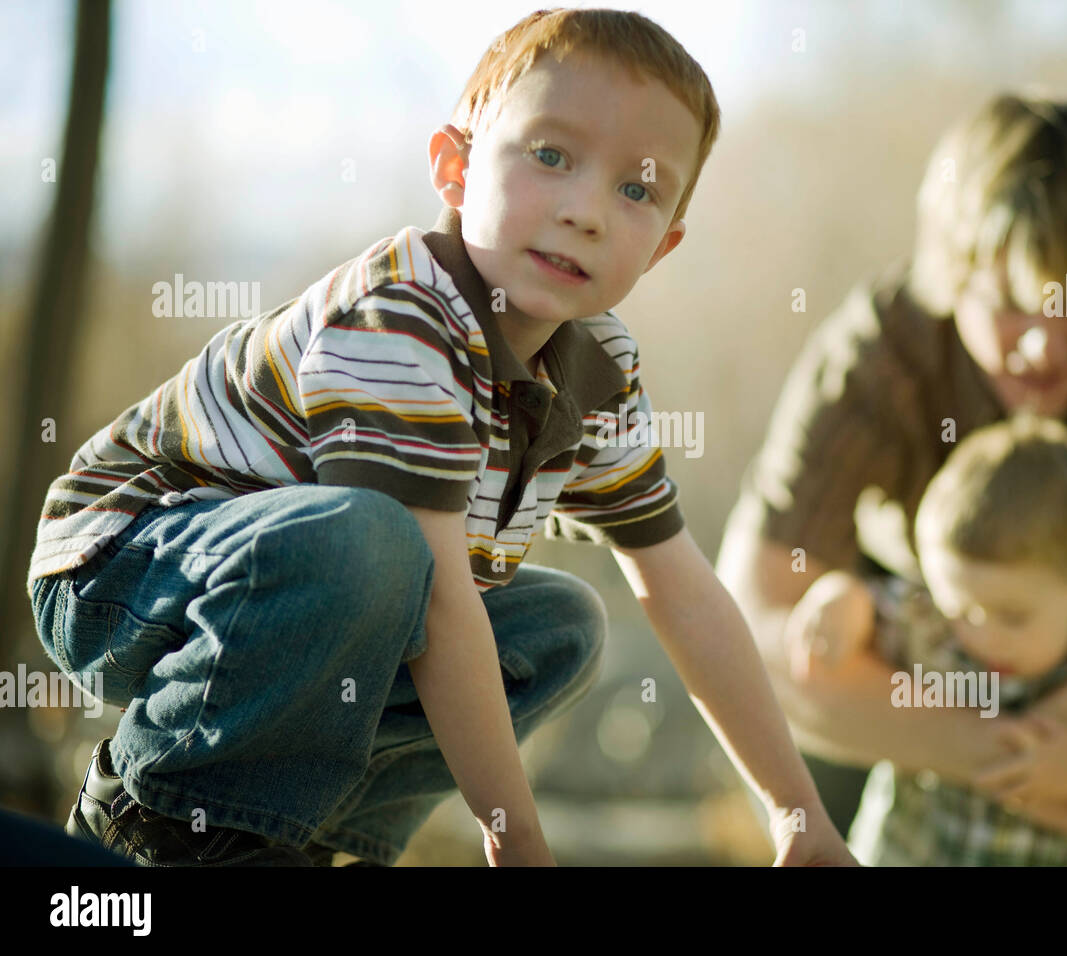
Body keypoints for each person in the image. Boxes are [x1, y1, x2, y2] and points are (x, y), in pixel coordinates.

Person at [27, 8, 856, 868]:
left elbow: (681, 590)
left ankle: (297, 838)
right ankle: (157, 811)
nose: (586, 211)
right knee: (378, 542)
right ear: (456, 168)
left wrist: (796, 812)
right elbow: (436, 596)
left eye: (637, 189)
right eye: (551, 156)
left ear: (665, 245)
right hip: (124, 567)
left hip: (303, 614)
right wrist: (516, 834)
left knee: (556, 624)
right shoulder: (403, 316)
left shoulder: (598, 368)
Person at [716, 93, 1067, 866]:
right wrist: (989, 744)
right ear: (949, 280)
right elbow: (751, 619)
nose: (1042, 347)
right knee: (802, 670)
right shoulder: (877, 350)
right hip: (919, 660)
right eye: (1012, 306)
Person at [839, 413, 1067, 865]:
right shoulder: (930, 620)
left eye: (1013, 617)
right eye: (960, 610)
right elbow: (872, 604)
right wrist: (839, 599)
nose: (983, 634)